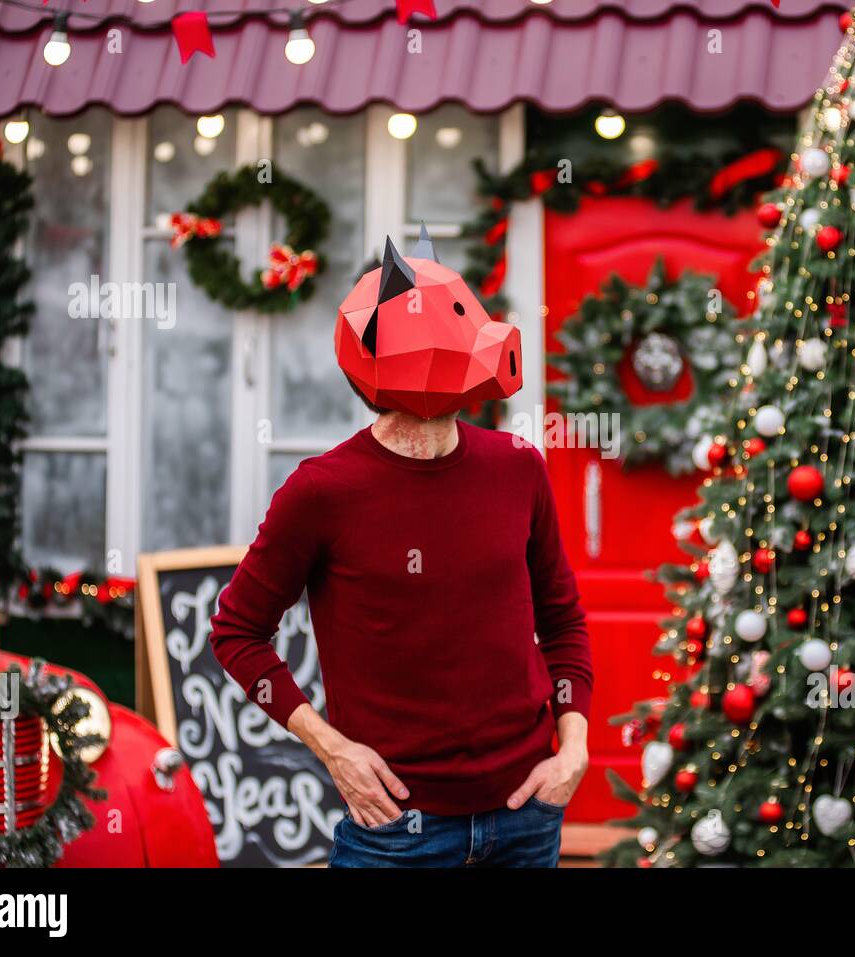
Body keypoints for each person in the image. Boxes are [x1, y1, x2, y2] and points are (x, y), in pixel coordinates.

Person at [209, 231, 592, 867]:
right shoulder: (322, 491)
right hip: (396, 829)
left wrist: (573, 746)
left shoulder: (519, 468)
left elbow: (562, 619)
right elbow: (236, 633)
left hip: (527, 815)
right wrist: (332, 749)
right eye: (460, 319)